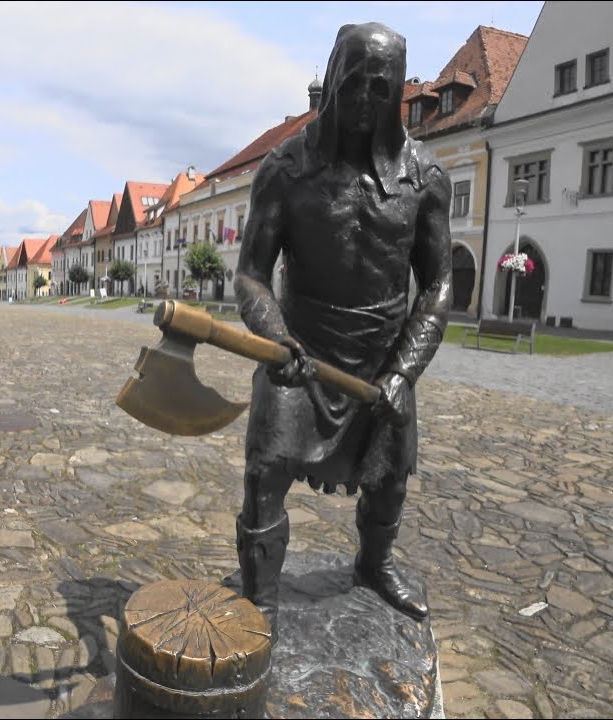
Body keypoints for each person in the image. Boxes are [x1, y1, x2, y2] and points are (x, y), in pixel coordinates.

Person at [232, 22, 452, 626]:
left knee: (390, 474)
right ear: (331, 81)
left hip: (384, 353)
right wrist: (275, 337)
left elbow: (438, 285)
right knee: (266, 468)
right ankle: (261, 597)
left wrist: (405, 372)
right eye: (352, 84)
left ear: (397, 95)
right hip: (299, 348)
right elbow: (251, 274)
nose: (363, 100)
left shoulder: (425, 180)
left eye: (379, 89)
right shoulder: (284, 170)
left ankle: (375, 566)